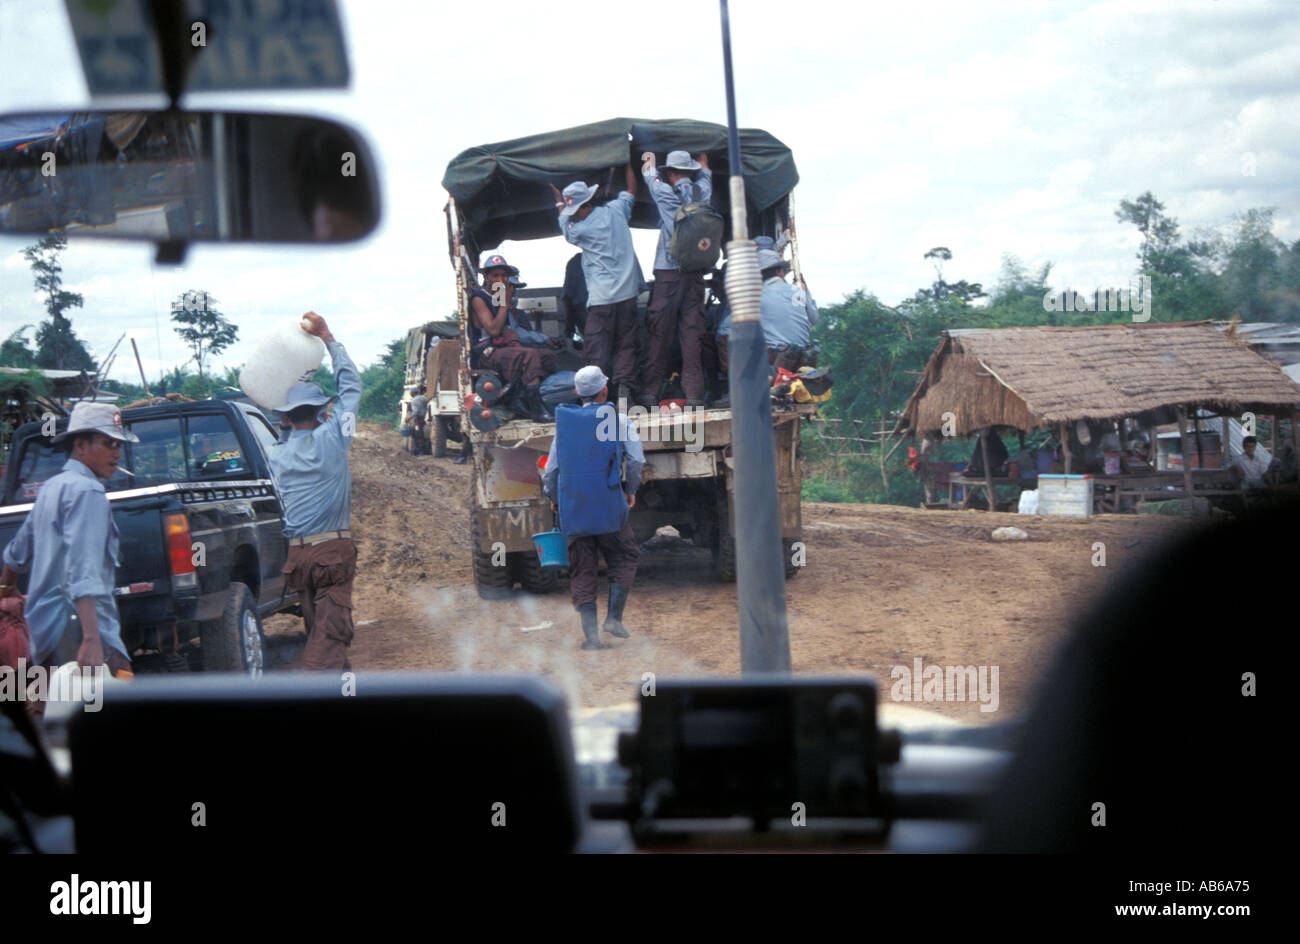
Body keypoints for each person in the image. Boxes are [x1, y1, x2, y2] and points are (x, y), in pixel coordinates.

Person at [0, 402, 140, 686]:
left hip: (47, 631)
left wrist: (7, 586)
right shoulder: (87, 491)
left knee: (56, 712)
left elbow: (18, 551)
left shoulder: (54, 486)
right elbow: (83, 568)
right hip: (78, 626)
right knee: (98, 709)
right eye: (108, 443)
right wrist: (90, 638)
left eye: (119, 445)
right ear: (80, 445)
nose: (117, 453)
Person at [269, 313, 362, 672]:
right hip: (331, 555)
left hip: (299, 560)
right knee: (330, 635)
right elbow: (351, 388)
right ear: (323, 411)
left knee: (319, 631)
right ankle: (314, 689)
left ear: (286, 417)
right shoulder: (334, 438)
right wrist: (328, 338)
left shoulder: (278, 454)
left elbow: (284, 430)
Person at [541, 366, 644, 650]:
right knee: (625, 555)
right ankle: (613, 618)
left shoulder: (565, 425)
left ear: (576, 393)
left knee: (582, 570)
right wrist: (630, 490)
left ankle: (592, 639)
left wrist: (554, 497)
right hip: (610, 504)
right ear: (605, 391)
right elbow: (635, 461)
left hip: (574, 507)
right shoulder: (620, 421)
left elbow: (552, 470)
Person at [552, 164, 642, 407]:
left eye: (574, 211)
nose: (573, 215)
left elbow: (565, 226)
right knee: (626, 346)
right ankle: (624, 394)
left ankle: (594, 400)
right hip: (627, 296)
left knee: (596, 351)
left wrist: (560, 203)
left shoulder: (580, 230)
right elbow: (632, 189)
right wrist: (627, 164)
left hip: (601, 301)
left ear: (583, 207)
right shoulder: (617, 209)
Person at [640, 149, 713, 407]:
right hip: (695, 275)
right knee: (692, 334)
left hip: (668, 274)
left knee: (660, 332)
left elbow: (648, 174)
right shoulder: (702, 192)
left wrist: (648, 157)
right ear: (691, 171)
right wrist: (703, 161)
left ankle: (649, 392)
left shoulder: (663, 192)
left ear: (670, 173)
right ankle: (694, 394)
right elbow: (705, 171)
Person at [469, 254, 559, 421]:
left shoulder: (500, 297)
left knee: (547, 356)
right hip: (485, 353)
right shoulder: (479, 298)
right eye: (495, 275)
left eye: (504, 275)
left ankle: (520, 399)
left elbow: (508, 330)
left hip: (502, 350)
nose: (500, 280)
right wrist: (505, 302)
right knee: (529, 356)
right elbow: (494, 330)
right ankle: (536, 411)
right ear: (486, 278)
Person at [717, 248, 819, 375]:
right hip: (804, 359)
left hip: (774, 360)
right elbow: (814, 319)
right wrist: (806, 290)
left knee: (724, 335)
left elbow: (725, 330)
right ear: (779, 272)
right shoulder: (798, 291)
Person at [408, 384, 430, 456]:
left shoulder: (414, 401)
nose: (410, 394)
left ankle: (420, 451)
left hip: (418, 419)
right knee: (420, 433)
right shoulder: (424, 398)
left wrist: (408, 418)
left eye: (410, 392)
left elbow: (415, 412)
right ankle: (421, 449)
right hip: (423, 418)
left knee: (418, 434)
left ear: (413, 393)